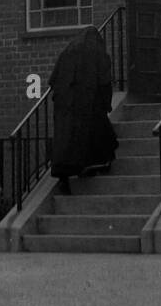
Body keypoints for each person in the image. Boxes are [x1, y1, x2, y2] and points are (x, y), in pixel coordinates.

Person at [49, 27, 118, 193]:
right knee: (98, 136)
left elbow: (53, 80)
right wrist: (106, 103)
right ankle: (96, 165)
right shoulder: (98, 54)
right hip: (88, 104)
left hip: (65, 106)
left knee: (65, 142)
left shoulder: (67, 54)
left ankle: (64, 179)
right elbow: (104, 82)